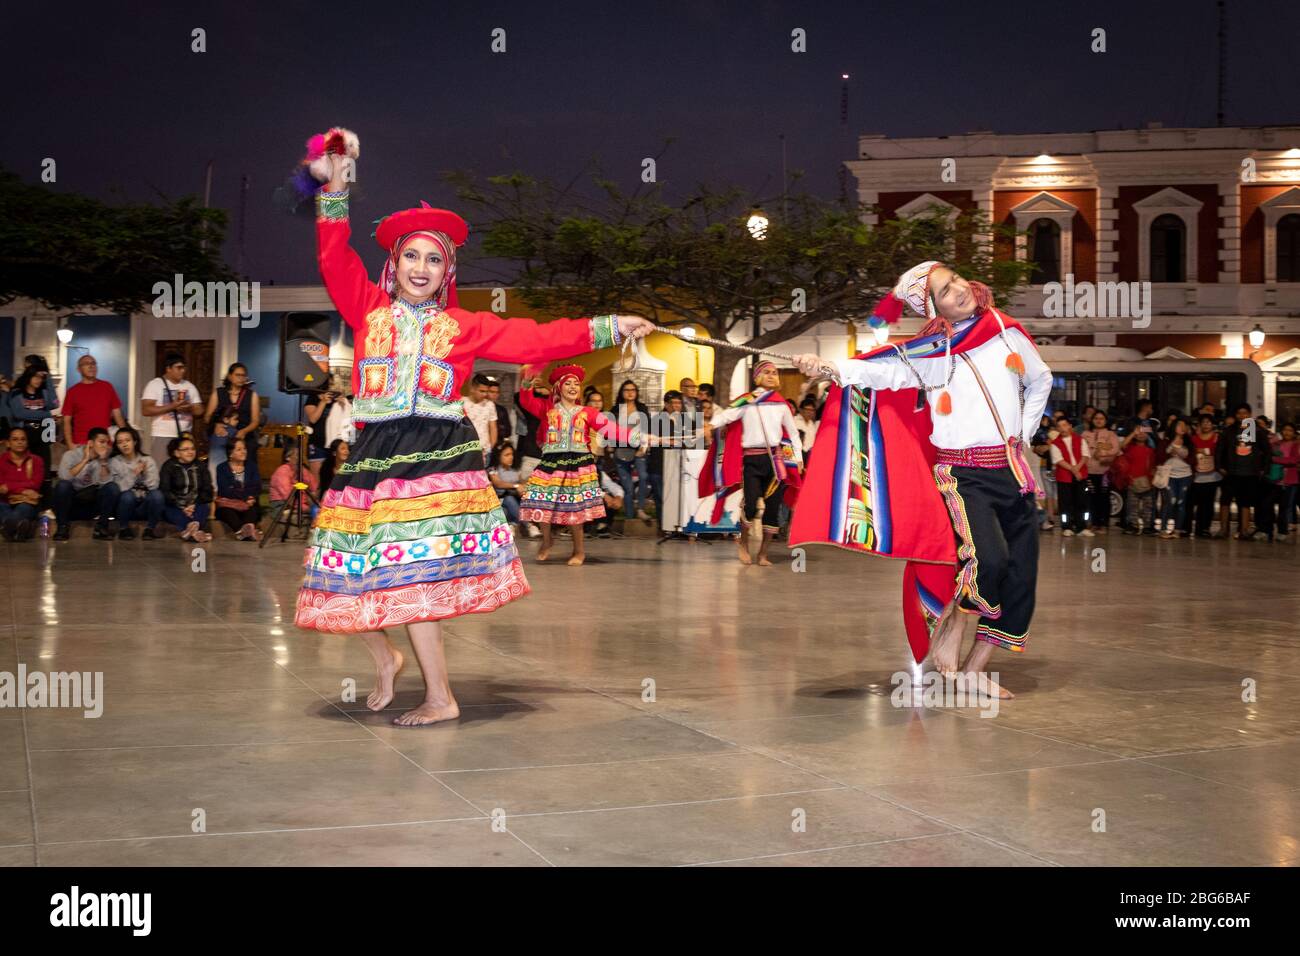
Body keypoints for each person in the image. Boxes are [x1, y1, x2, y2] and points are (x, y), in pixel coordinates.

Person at [296, 154, 652, 727]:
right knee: (343, 572)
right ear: (394, 262)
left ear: (447, 270)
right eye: (411, 255)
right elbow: (333, 258)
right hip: (372, 455)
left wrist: (610, 326)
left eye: (433, 259)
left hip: (434, 455)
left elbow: (537, 339)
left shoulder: (463, 326)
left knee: (411, 575)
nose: (420, 266)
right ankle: (385, 656)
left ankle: (441, 696)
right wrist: (334, 193)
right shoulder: (366, 309)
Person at [791, 261, 1053, 698]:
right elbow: (882, 369)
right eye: (946, 291)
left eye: (956, 280)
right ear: (935, 309)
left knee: (1021, 573)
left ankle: (976, 668)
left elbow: (1040, 379)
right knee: (987, 559)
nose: (959, 290)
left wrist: (1021, 435)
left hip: (1012, 470)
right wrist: (829, 367)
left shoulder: (1006, 329)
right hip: (961, 473)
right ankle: (954, 625)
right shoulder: (934, 351)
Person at [518, 365, 638, 565]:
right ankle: (547, 540)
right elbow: (525, 400)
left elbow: (611, 430)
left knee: (575, 510)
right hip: (551, 463)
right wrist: (527, 380)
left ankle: (579, 551)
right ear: (559, 387)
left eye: (577, 384)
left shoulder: (588, 412)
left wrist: (640, 437)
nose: (573, 387)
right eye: (568, 383)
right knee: (537, 501)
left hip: (577, 464)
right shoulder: (547, 409)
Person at [701, 360, 804, 565]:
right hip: (752, 460)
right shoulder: (747, 402)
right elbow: (727, 415)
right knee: (750, 507)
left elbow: (792, 434)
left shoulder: (781, 404)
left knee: (773, 510)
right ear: (757, 376)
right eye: (766, 372)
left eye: (775, 372)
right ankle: (743, 544)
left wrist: (798, 458)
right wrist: (709, 425)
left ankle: (763, 554)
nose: (771, 375)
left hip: (775, 461)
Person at [53, 427, 121, 540]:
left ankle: (101, 528)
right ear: (90, 443)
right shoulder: (71, 455)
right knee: (63, 486)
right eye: (101, 442)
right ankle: (62, 527)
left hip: (91, 504)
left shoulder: (106, 459)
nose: (105, 446)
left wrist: (103, 462)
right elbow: (64, 477)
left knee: (112, 487)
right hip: (72, 502)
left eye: (107, 442)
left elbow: (106, 485)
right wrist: (85, 460)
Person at [1216, 403, 1267, 540]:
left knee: (1245, 502)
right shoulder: (1229, 430)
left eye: (1245, 413)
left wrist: (1263, 469)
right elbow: (1220, 450)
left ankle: (1244, 530)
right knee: (1225, 500)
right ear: (1235, 415)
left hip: (1250, 473)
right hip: (1231, 472)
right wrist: (1219, 466)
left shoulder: (1257, 430)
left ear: (1250, 415)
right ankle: (1223, 530)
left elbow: (1267, 451)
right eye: (1239, 413)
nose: (1242, 416)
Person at [7, 365, 58, 497]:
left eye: (41, 377)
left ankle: (45, 504)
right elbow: (19, 413)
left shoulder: (44, 393)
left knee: (44, 468)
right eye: (36, 376)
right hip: (25, 432)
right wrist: (45, 414)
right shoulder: (17, 393)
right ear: (28, 376)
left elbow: (55, 404)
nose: (38, 380)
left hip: (44, 432)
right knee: (25, 466)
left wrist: (48, 379)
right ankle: (23, 497)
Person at [141, 353, 202, 465]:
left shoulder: (189, 386)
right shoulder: (155, 384)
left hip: (184, 436)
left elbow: (199, 410)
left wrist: (188, 408)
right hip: (162, 435)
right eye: (179, 368)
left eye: (184, 367)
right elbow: (146, 410)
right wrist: (172, 406)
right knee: (162, 469)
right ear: (168, 368)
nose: (182, 371)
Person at [204, 362, 260, 481]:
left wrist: (244, 431)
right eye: (237, 375)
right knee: (219, 469)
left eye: (243, 376)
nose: (241, 378)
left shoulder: (251, 395)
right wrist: (216, 425)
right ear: (229, 376)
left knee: (246, 473)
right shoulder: (219, 393)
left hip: (244, 437)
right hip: (223, 437)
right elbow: (207, 417)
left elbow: (255, 421)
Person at [108, 425, 164, 540]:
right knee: (127, 495)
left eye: (127, 440)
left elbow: (154, 486)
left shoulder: (148, 460)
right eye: (120, 442)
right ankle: (123, 528)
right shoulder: (115, 462)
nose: (124, 444)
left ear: (135, 442)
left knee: (157, 495)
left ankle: (150, 529)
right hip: (125, 506)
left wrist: (144, 474)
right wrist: (134, 474)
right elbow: (119, 488)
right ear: (117, 445)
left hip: (144, 505)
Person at [60, 354, 126, 446]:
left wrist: (125, 437)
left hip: (105, 443)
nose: (91, 366)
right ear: (78, 369)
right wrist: (70, 444)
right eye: (86, 363)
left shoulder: (107, 387)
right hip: (82, 443)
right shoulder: (72, 392)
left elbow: (117, 414)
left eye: (93, 363)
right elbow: (66, 421)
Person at [610, 379, 652, 521]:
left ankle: (640, 509)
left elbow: (647, 429)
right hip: (621, 451)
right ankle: (629, 517)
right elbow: (610, 431)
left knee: (643, 477)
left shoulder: (642, 408)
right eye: (627, 390)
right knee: (627, 487)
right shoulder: (615, 410)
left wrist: (644, 447)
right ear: (622, 392)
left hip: (639, 450)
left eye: (633, 390)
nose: (630, 393)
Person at [159, 435, 214, 541]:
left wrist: (193, 505)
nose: (190, 452)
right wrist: (182, 507)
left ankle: (189, 531)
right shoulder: (168, 466)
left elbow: (208, 490)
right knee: (169, 510)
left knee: (204, 507)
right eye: (186, 449)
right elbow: (164, 490)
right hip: (175, 505)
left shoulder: (200, 466)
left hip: (195, 504)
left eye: (192, 449)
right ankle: (195, 531)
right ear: (176, 453)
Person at [1050, 416, 1092, 537]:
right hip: (1064, 476)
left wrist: (1077, 468)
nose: (1062, 428)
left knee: (1082, 501)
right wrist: (1074, 470)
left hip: (1081, 475)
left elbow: (1085, 456)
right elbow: (1059, 460)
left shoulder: (1080, 440)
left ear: (1070, 426)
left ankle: (1082, 527)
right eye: (1059, 426)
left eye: (1064, 425)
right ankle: (1066, 527)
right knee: (1065, 502)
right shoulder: (1055, 443)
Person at [214, 436, 263, 540]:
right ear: (231, 454)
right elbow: (225, 490)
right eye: (239, 449)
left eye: (244, 449)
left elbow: (256, 486)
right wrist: (245, 497)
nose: (244, 452)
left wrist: (250, 497)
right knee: (228, 513)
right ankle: (246, 532)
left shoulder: (252, 466)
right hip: (229, 505)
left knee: (252, 511)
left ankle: (245, 532)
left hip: (248, 504)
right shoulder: (222, 468)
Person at [0, 426, 43, 540]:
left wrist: (9, 486)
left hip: (26, 501)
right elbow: (1, 487)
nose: (19, 442)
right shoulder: (1, 461)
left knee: (24, 508)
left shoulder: (36, 461)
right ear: (8, 443)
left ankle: (9, 530)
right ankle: (23, 529)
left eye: (23, 439)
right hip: (4, 502)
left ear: (27, 442)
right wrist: (24, 489)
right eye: (15, 439)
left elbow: (35, 484)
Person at [1081, 410, 1119, 531]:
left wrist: (1103, 453)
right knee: (1091, 498)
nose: (1098, 420)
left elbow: (1115, 449)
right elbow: (1080, 449)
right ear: (1092, 420)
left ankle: (1104, 524)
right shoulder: (1085, 434)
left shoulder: (1110, 434)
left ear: (1106, 420)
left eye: (1101, 418)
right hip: (1089, 471)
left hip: (1104, 472)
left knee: (1104, 497)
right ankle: (1093, 523)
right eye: (1096, 418)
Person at [1188, 414, 1222, 538]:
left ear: (1212, 424)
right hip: (1197, 476)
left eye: (1209, 422)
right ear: (1200, 424)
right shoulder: (1193, 439)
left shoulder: (1217, 438)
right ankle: (1196, 528)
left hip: (1212, 476)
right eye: (1204, 422)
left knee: (1208, 504)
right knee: (1195, 503)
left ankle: (1205, 528)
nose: (1206, 424)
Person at [1119, 422, 1157, 534]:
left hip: (1147, 480)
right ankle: (1133, 525)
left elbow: (1153, 465)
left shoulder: (1151, 449)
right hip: (1132, 480)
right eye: (1138, 432)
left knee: (1148, 505)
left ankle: (1147, 526)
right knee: (1132, 505)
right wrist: (1133, 433)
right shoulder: (1130, 447)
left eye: (1144, 431)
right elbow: (1121, 445)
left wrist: (1153, 477)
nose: (1141, 434)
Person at [1158, 419, 1193, 538]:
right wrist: (1170, 451)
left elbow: (1192, 459)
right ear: (1174, 427)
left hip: (1185, 476)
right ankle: (1163, 530)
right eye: (1179, 425)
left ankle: (1177, 530)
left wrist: (1181, 454)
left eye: (1184, 425)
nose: (1182, 427)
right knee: (1170, 502)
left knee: (1181, 503)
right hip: (1169, 475)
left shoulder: (1188, 441)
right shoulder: (1166, 441)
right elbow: (1160, 456)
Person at [269, 445, 319, 518]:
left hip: (299, 504)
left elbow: (314, 486)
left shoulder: (299, 470)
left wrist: (303, 471)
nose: (300, 457)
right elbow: (289, 498)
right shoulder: (282, 472)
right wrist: (306, 508)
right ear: (287, 458)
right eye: (297, 454)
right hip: (282, 505)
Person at [487, 443, 525, 530]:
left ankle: (513, 525)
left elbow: (522, 483)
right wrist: (516, 486)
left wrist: (523, 487)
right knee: (508, 500)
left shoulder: (515, 469)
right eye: (507, 455)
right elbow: (498, 483)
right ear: (499, 456)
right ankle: (527, 525)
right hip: (499, 500)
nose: (511, 457)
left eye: (512, 454)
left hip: (516, 499)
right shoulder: (493, 469)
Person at [463, 373, 499, 464]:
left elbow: (493, 428)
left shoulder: (490, 405)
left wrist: (491, 448)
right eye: (482, 391)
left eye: (486, 391)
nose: (485, 394)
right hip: (464, 450)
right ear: (472, 389)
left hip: (483, 450)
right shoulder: (462, 402)